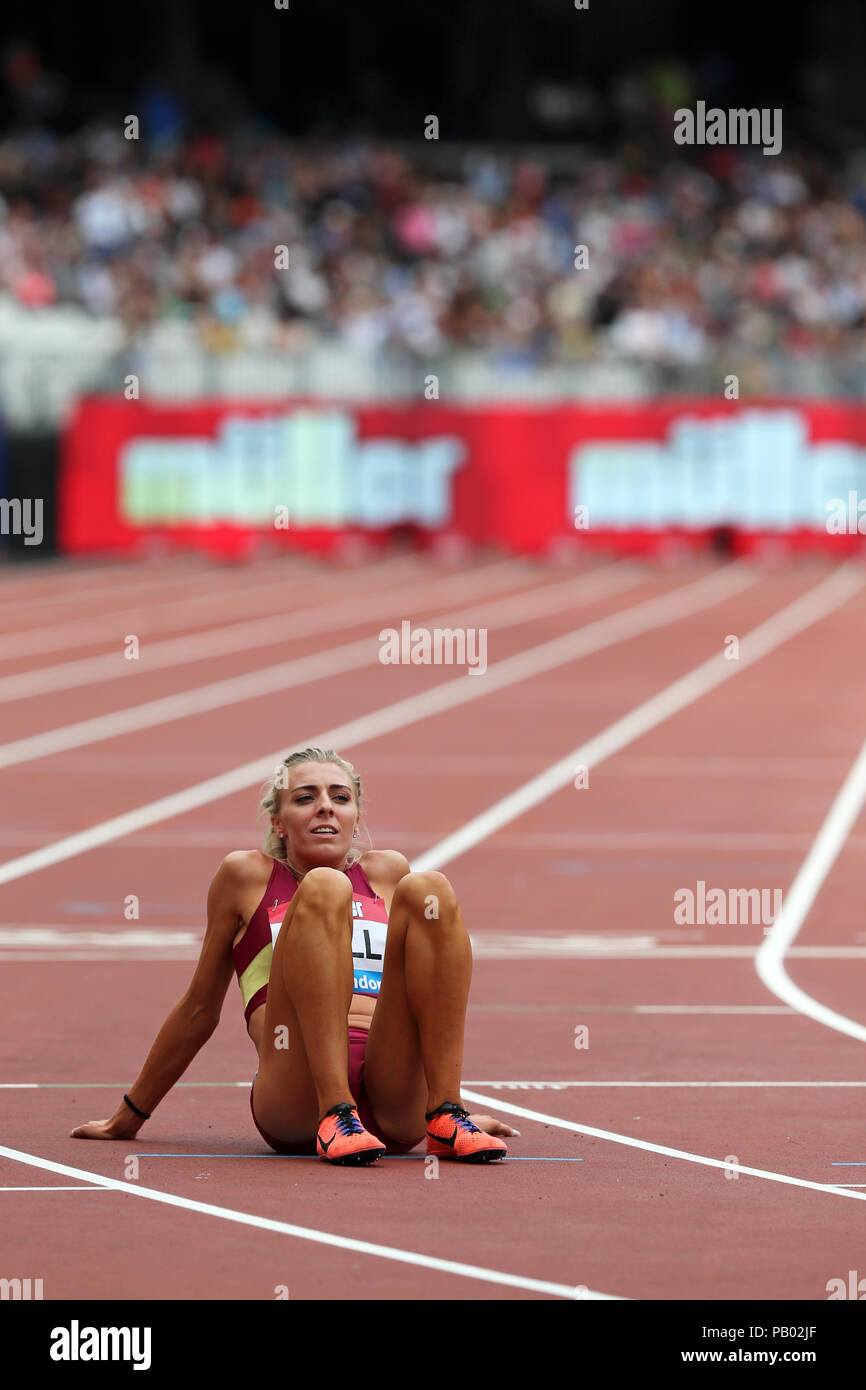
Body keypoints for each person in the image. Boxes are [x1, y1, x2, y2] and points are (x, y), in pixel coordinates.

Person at [71, 747, 517, 1165]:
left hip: (389, 1090)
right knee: (325, 886)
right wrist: (129, 1115)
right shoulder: (245, 877)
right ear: (279, 822)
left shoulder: (387, 873)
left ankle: (446, 1114)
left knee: (430, 888)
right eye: (306, 798)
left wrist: (451, 1104)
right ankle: (335, 1113)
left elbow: (424, 997)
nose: (325, 806)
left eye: (339, 797)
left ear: (355, 818)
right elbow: (198, 1009)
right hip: (295, 1090)